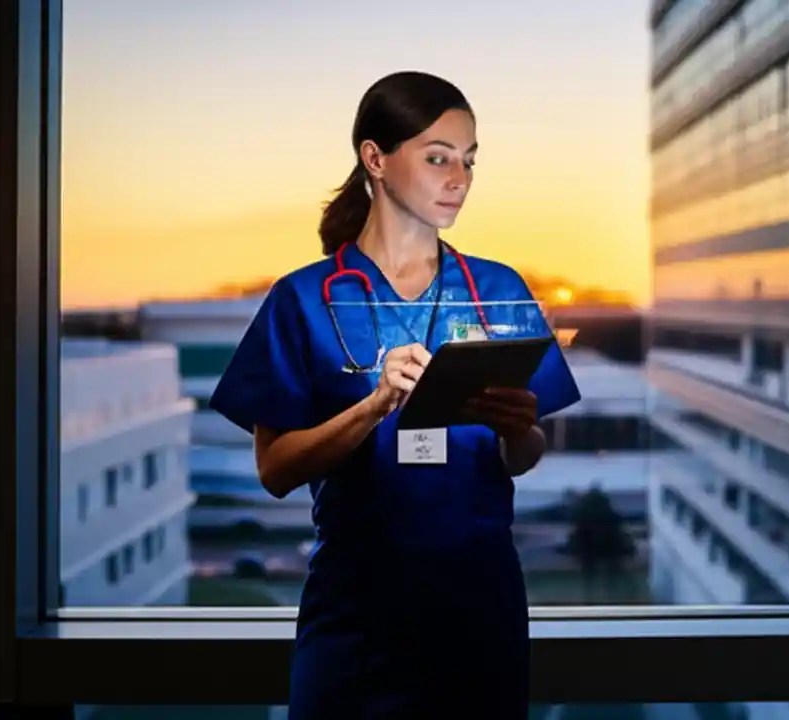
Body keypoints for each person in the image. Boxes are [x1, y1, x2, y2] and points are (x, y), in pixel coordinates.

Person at [208, 70, 580, 719]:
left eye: (468, 161)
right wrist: (373, 405)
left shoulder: (497, 290)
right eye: (438, 158)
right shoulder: (304, 299)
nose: (458, 178)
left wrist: (520, 429)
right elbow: (274, 470)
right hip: (356, 612)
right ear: (375, 159)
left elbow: (525, 454)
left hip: (480, 608)